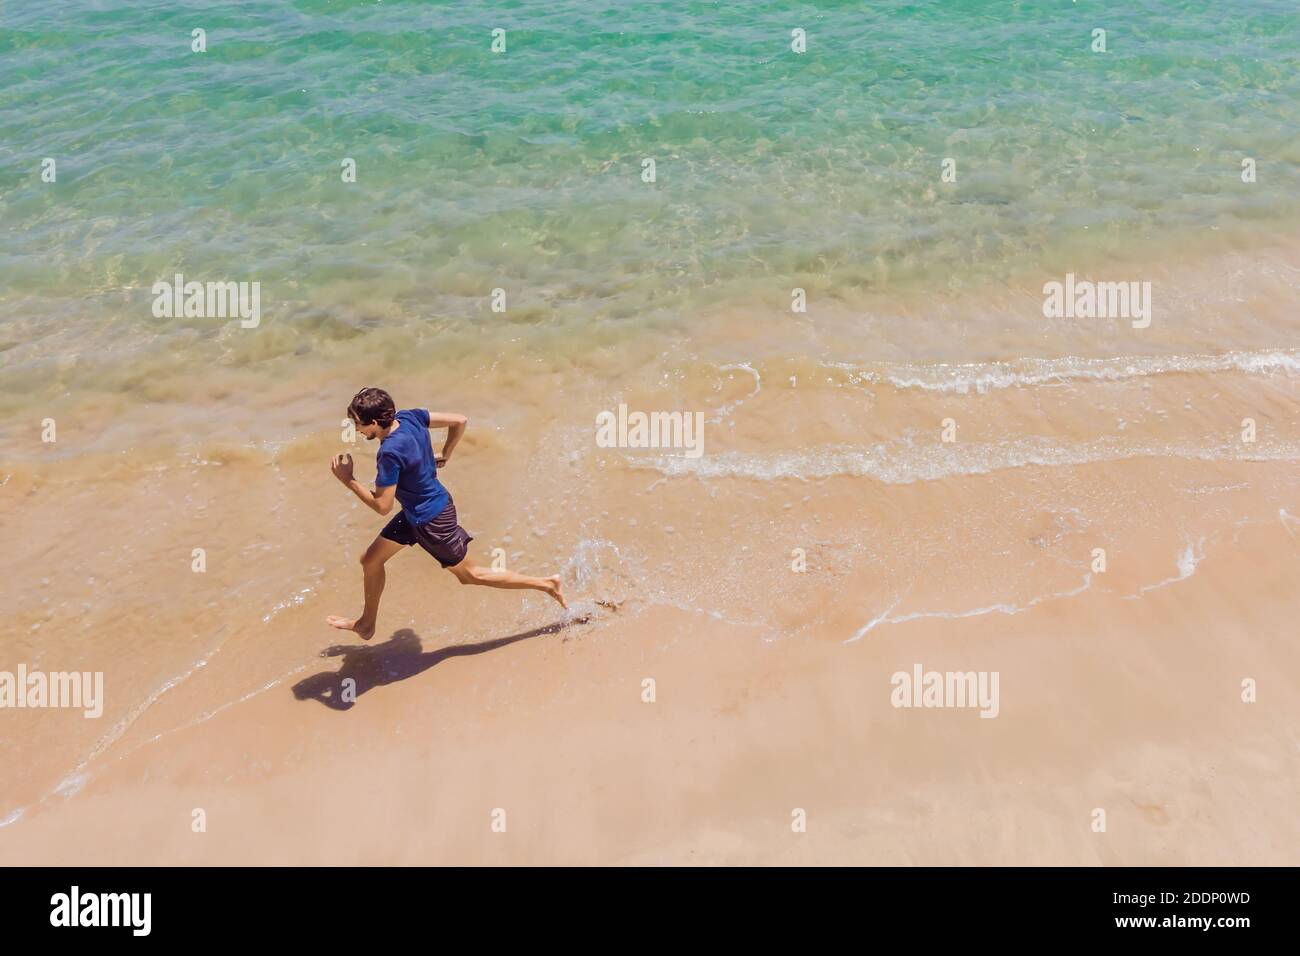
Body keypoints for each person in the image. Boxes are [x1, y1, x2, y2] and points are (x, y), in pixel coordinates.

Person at [326, 387, 565, 641]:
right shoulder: (409, 417)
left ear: (373, 422)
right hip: (416, 512)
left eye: (358, 424)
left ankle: (547, 584)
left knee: (470, 575)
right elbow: (459, 421)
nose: (357, 429)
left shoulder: (389, 454)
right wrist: (446, 454)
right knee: (371, 560)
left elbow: (382, 506)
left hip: (432, 521)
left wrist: (348, 480)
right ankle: (366, 625)